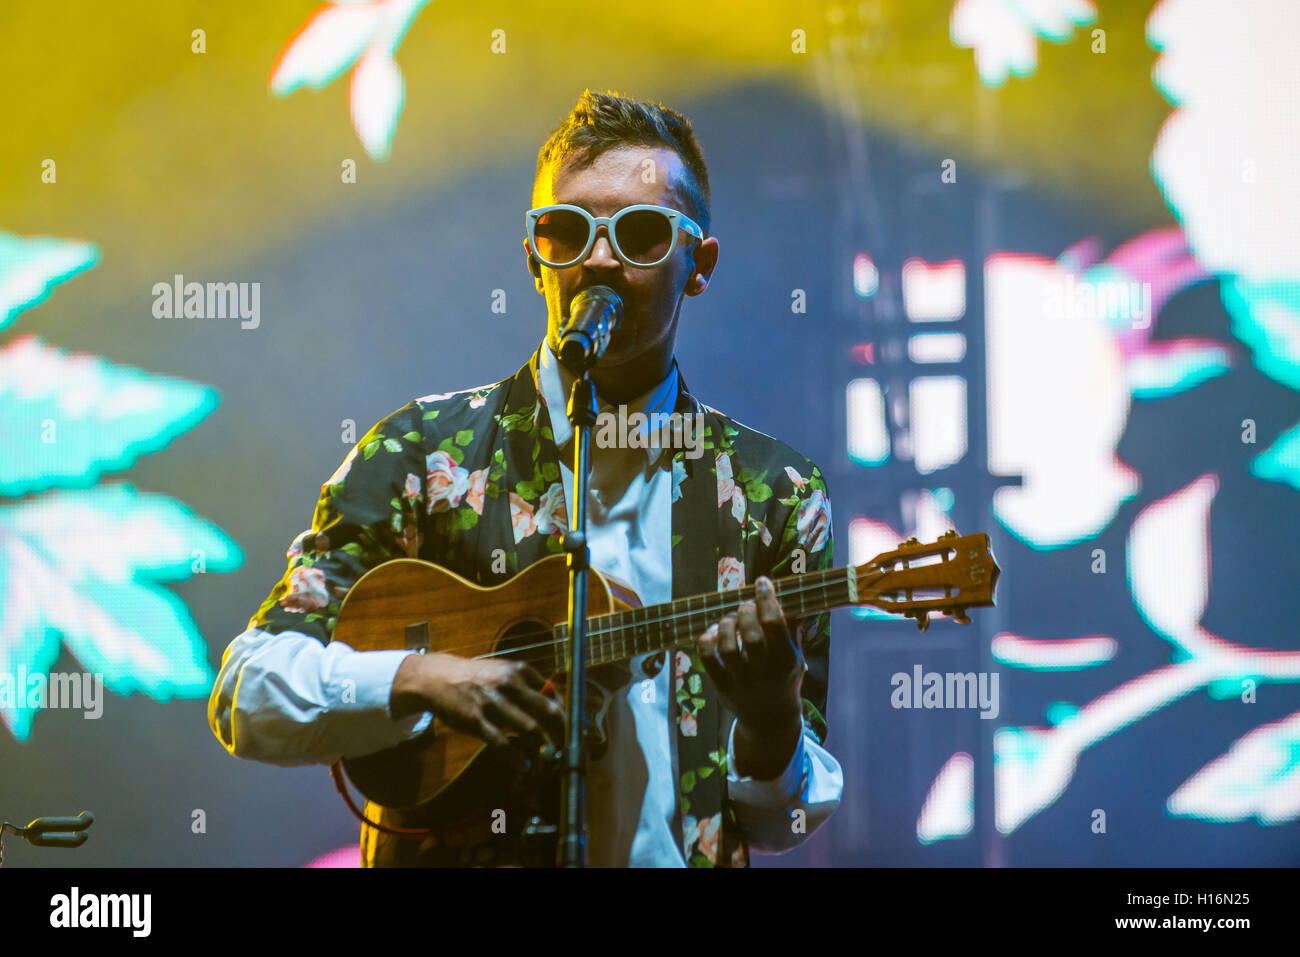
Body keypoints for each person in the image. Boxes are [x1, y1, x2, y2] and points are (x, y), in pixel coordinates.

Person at [208, 89, 843, 867]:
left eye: (640, 233)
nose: (599, 258)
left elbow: (782, 824)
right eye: (566, 231)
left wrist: (773, 720)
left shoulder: (776, 493)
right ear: (535, 258)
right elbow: (246, 690)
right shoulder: (423, 453)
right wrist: (419, 677)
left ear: (698, 265)